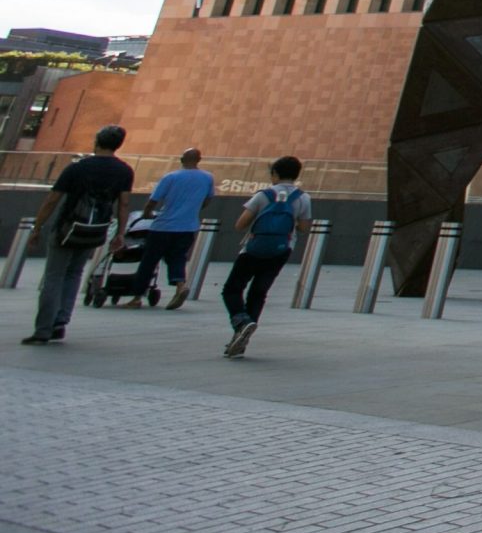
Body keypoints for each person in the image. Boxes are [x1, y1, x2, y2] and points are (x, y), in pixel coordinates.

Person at [23, 124, 135, 345]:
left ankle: (43, 328)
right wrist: (120, 233)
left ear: (97, 142)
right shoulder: (124, 171)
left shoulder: (77, 168)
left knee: (54, 276)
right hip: (95, 230)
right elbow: (124, 204)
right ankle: (61, 321)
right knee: (75, 273)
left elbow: (52, 200)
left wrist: (37, 227)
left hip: (67, 227)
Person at [219, 157, 311, 358]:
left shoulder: (263, 195)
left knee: (232, 289)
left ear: (275, 174)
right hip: (281, 249)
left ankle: (241, 322)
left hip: (253, 249)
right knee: (258, 293)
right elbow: (304, 228)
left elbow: (240, 224)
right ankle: (243, 338)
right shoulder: (303, 198)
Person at [137, 147, 216, 308]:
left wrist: (146, 213)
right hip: (188, 226)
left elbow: (154, 200)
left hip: (163, 226)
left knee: (149, 261)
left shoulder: (171, 177)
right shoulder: (207, 177)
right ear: (199, 160)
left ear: (181, 159)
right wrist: (193, 210)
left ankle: (137, 297)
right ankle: (181, 286)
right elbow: (208, 199)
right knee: (178, 257)